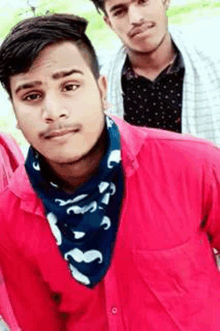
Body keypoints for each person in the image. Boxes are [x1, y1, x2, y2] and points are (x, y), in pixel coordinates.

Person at [0, 13, 220, 331]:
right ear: (16, 114)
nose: (54, 111)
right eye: (31, 96)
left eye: (70, 86)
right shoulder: (10, 216)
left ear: (102, 90)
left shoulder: (193, 166)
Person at [90, 0, 220, 145]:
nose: (135, 19)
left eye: (142, 2)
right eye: (119, 12)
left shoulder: (213, 64)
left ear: (165, 1)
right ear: (109, 23)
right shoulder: (102, 88)